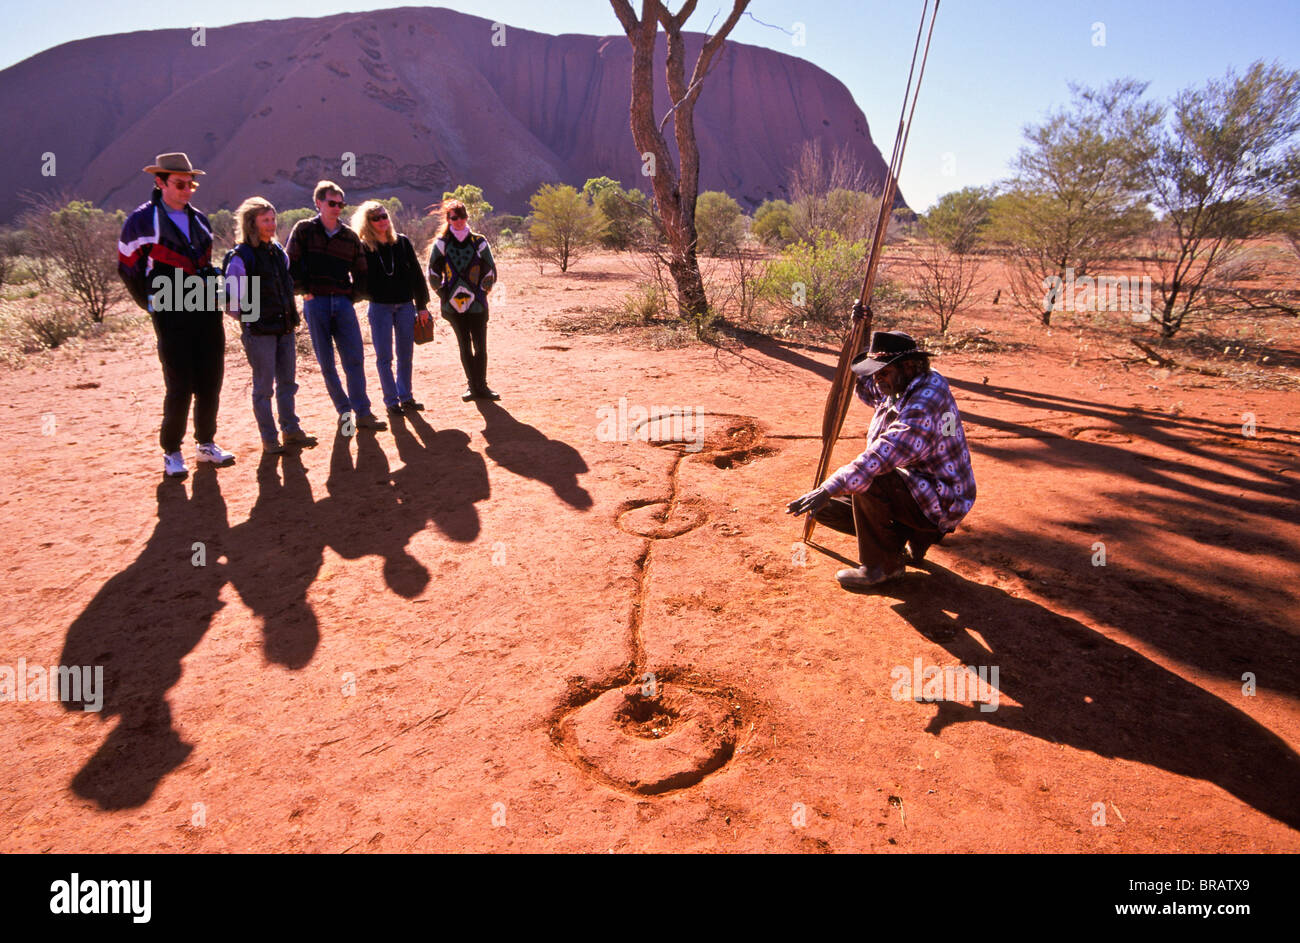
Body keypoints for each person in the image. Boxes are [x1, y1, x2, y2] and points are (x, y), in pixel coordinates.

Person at [787, 319, 976, 590]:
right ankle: (908, 539)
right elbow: (867, 387)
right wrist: (860, 328)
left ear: (908, 366)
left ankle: (882, 567)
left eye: (882, 372)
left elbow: (883, 455)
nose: (877, 379)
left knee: (870, 479)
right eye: (876, 373)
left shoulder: (926, 401)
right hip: (919, 488)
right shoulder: (905, 382)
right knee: (826, 508)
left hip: (943, 498)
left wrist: (828, 487)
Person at [118, 152, 234, 479]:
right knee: (179, 383)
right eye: (179, 184)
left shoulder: (200, 220)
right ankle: (171, 451)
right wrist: (152, 303)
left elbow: (206, 264)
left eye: (190, 185)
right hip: (171, 310)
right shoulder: (142, 220)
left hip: (204, 309)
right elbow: (128, 267)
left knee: (211, 379)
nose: (186, 190)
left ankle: (206, 443)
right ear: (160, 182)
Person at [286, 180, 387, 434]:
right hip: (315, 303)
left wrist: (351, 297)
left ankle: (363, 413)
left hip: (342, 304)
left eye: (341, 204)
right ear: (318, 203)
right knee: (327, 363)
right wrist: (303, 291)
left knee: (354, 359)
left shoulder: (349, 236)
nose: (337, 208)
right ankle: (345, 415)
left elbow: (362, 272)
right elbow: (290, 265)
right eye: (332, 203)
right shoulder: (304, 230)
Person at [224, 197, 317, 454]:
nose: (271, 224)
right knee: (263, 388)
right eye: (265, 220)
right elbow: (231, 301)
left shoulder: (278, 253)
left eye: (273, 219)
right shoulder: (241, 257)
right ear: (251, 223)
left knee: (287, 383)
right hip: (260, 333)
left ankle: (291, 430)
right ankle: (269, 438)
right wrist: (252, 320)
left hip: (285, 329)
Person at [351, 200, 432, 419]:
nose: (382, 221)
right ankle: (391, 401)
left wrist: (422, 306)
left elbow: (416, 275)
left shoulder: (402, 242)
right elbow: (358, 279)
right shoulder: (363, 247)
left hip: (405, 305)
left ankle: (406, 397)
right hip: (380, 308)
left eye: (384, 216)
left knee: (406, 354)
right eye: (375, 218)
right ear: (367, 222)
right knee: (384, 357)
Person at [427, 200, 499, 401]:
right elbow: (433, 272)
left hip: (477, 305)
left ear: (467, 217)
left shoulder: (479, 241)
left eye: (461, 217)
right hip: (453, 306)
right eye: (454, 218)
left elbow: (490, 269)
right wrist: (443, 294)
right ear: (448, 220)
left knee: (481, 346)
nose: (458, 221)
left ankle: (482, 386)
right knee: (465, 346)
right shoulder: (442, 243)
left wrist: (482, 291)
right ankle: (472, 387)